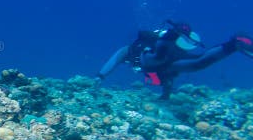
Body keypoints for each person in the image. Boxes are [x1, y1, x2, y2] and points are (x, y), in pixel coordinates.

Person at [98, 20, 253, 99]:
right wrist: (165, 96)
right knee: (198, 63)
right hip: (170, 63)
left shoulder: (129, 51)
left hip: (156, 59)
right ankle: (233, 45)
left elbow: (115, 59)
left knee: (157, 58)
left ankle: (171, 35)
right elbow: (167, 80)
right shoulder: (163, 71)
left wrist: (100, 76)